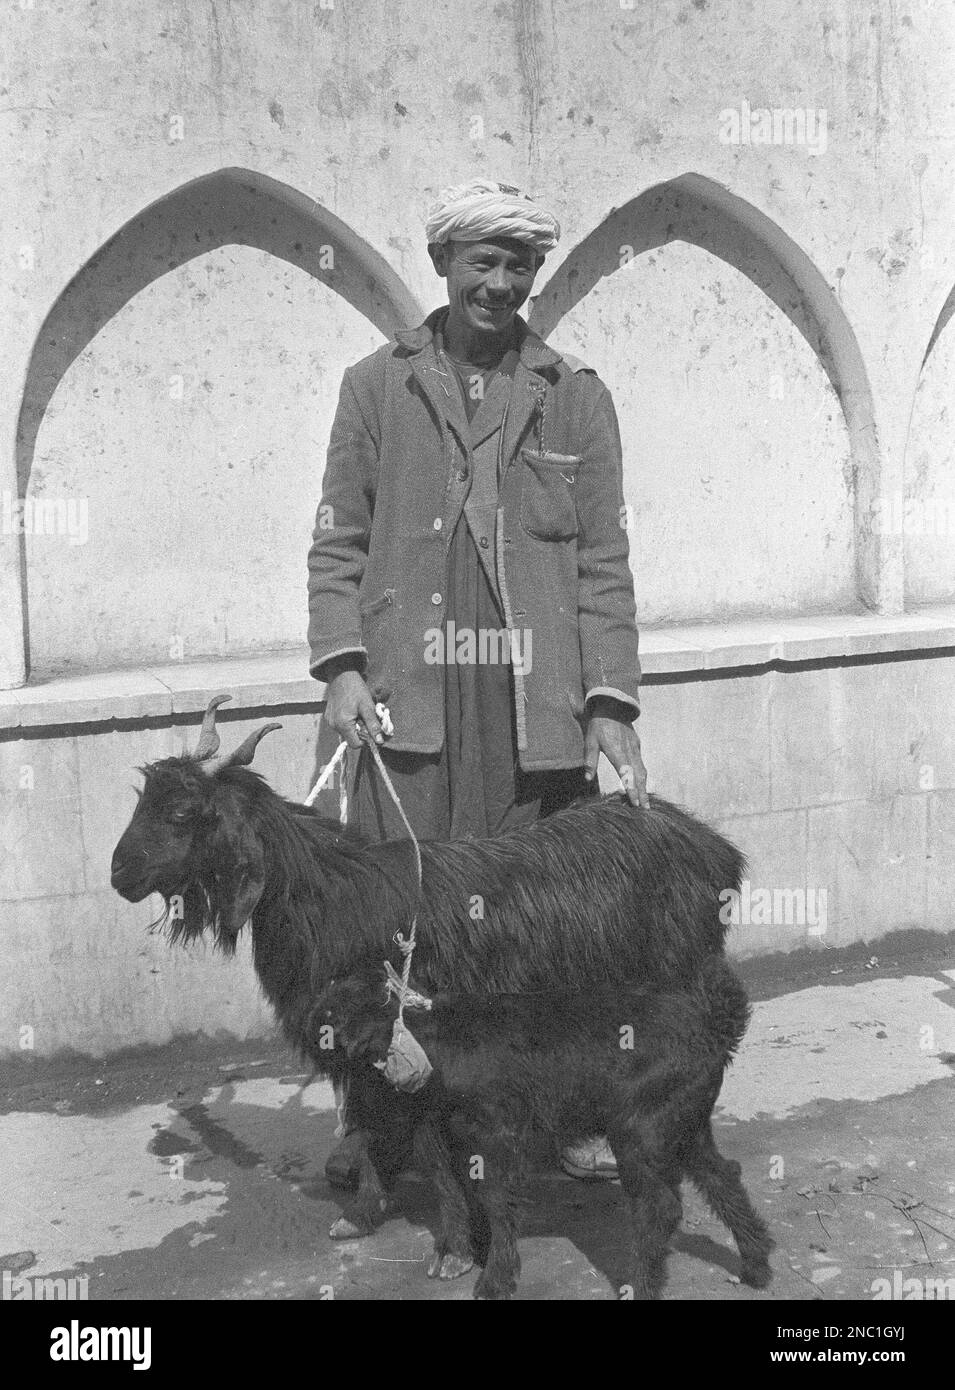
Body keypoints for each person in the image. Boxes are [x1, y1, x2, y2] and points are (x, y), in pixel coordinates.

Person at [307, 177, 648, 1182]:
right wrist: (341, 667)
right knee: (387, 924)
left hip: (524, 707)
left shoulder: (572, 390)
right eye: (480, 262)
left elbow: (602, 561)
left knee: (526, 928)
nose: (497, 284)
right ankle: (374, 1126)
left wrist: (607, 704)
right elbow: (337, 543)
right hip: (402, 704)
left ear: (535, 274)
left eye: (517, 265)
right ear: (445, 266)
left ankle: (533, 1118)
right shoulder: (377, 385)